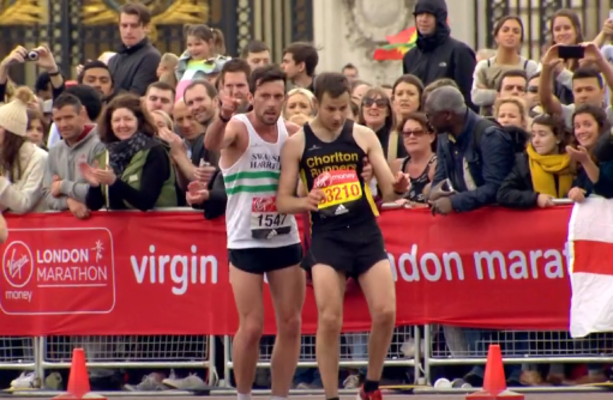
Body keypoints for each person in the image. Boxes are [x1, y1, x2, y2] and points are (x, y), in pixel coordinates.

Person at [275, 72, 409, 400]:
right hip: (327, 238)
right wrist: (304, 201)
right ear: (316, 104)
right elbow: (283, 201)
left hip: (364, 232)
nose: (337, 116)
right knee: (330, 318)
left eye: (343, 109)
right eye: (330, 109)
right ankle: (332, 394)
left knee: (386, 311)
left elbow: (389, 191)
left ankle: (372, 384)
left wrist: (398, 185)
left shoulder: (362, 135)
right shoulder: (299, 143)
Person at [199, 64, 304, 400]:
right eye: (264, 96)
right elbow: (214, 142)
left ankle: (280, 396)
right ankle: (243, 395)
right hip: (246, 240)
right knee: (253, 326)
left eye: (277, 96)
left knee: (291, 323)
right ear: (251, 97)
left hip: (285, 237)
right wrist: (221, 116)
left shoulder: (293, 131)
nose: (271, 103)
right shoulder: (238, 128)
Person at [402, 0, 476, 110]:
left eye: (429, 15)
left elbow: (468, 98)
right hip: (418, 123)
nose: (423, 19)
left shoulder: (459, 52)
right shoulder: (410, 57)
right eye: (420, 14)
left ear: (440, 19)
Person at [108, 2, 161, 96]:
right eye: (124, 26)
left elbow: (135, 96)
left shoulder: (151, 57)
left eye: (134, 26)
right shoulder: (114, 59)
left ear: (147, 27)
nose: (128, 31)